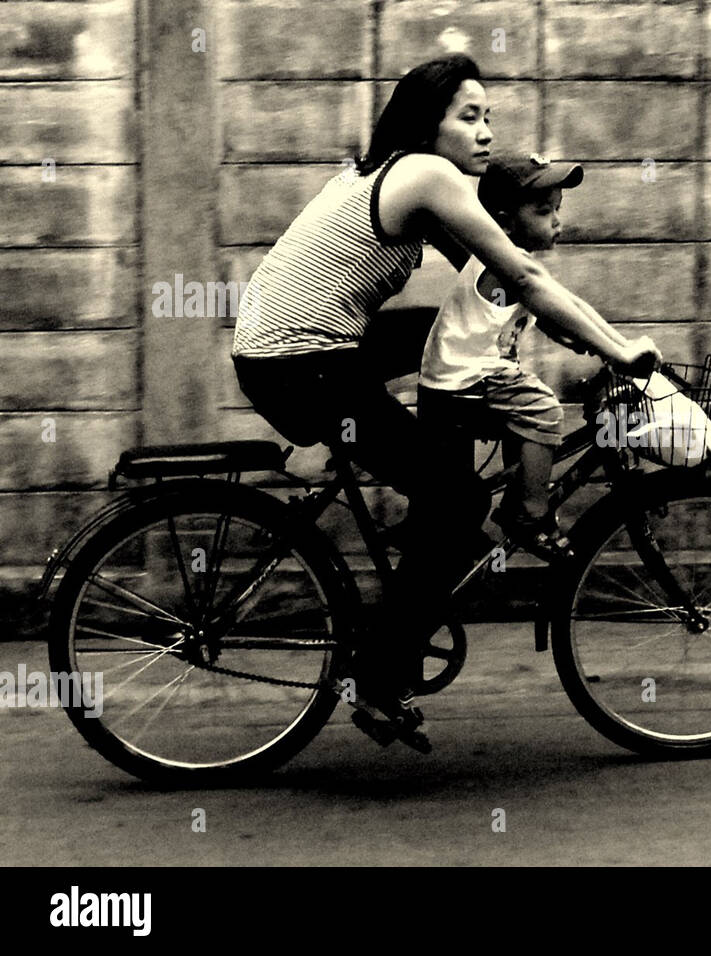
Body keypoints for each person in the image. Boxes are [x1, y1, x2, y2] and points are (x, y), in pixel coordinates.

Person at [228, 55, 660, 723]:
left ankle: (419, 517)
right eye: (468, 117)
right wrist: (618, 348)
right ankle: (378, 678)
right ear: (428, 122)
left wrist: (580, 333)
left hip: (293, 352)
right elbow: (525, 276)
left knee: (443, 335)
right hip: (304, 363)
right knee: (459, 502)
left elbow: (491, 290)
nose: (485, 132)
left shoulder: (386, 171)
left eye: (489, 117)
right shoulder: (428, 174)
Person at [419, 153, 624, 562]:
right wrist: (615, 348)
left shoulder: (502, 260)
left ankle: (521, 493)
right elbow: (557, 303)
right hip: (467, 382)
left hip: (457, 378)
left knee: (527, 406)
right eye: (543, 210)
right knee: (544, 409)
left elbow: (535, 309)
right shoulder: (509, 265)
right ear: (505, 221)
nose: (556, 221)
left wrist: (568, 336)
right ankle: (529, 512)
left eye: (557, 210)